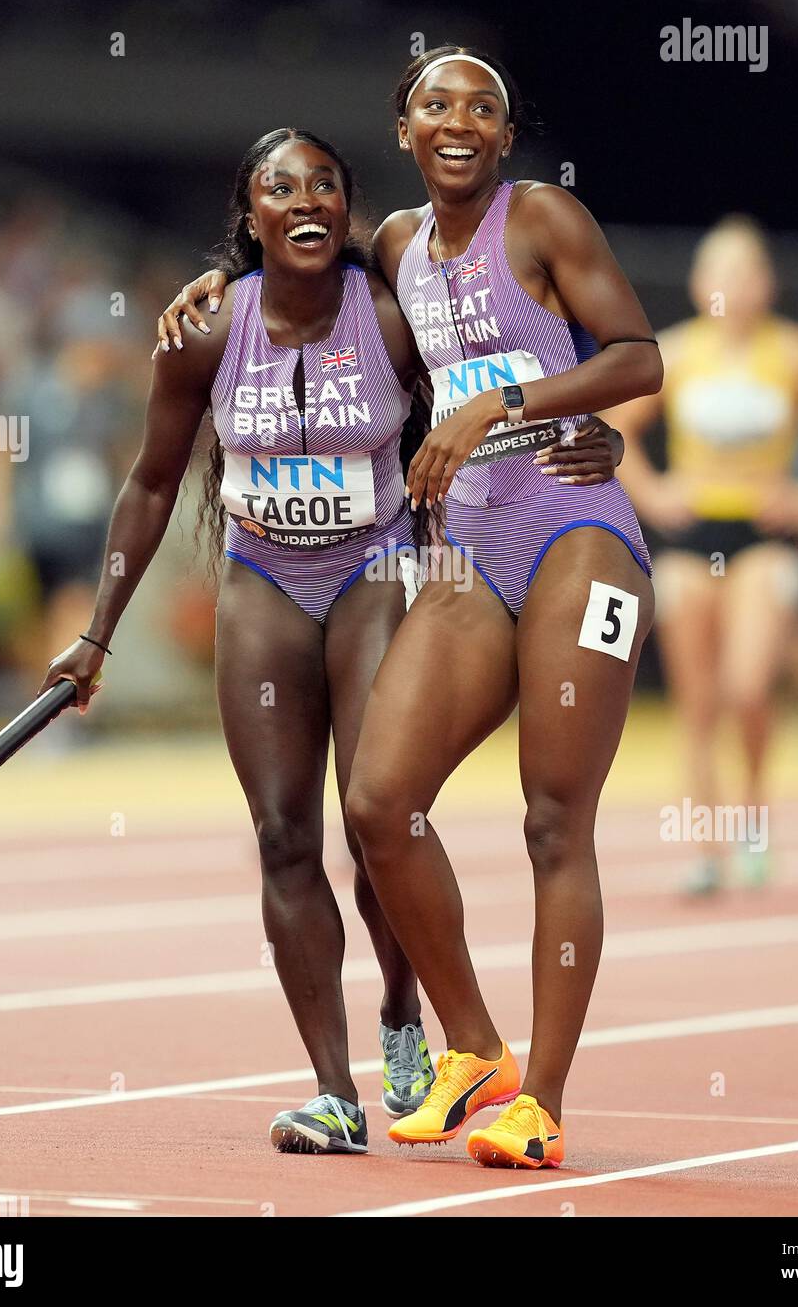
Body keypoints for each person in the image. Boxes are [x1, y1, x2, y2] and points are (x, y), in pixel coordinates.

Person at [43, 126, 623, 1157]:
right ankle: (331, 1087)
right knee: (280, 833)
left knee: (375, 817)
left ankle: (412, 1023)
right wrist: (96, 635)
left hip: (376, 570)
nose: (302, 199)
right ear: (251, 213)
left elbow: (501, 384)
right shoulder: (207, 330)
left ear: (348, 214)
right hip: (261, 580)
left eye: (323, 185)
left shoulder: (392, 315)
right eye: (279, 186)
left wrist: (588, 431)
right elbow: (149, 480)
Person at [606, 215, 798, 894]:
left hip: (762, 541)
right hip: (689, 540)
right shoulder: (675, 353)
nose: (734, 285)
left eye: (747, 272)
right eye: (721, 271)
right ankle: (705, 849)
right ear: (701, 283)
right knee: (698, 702)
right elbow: (612, 426)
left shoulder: (792, 353)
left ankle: (753, 815)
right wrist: (653, 492)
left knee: (749, 687)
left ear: (767, 283)